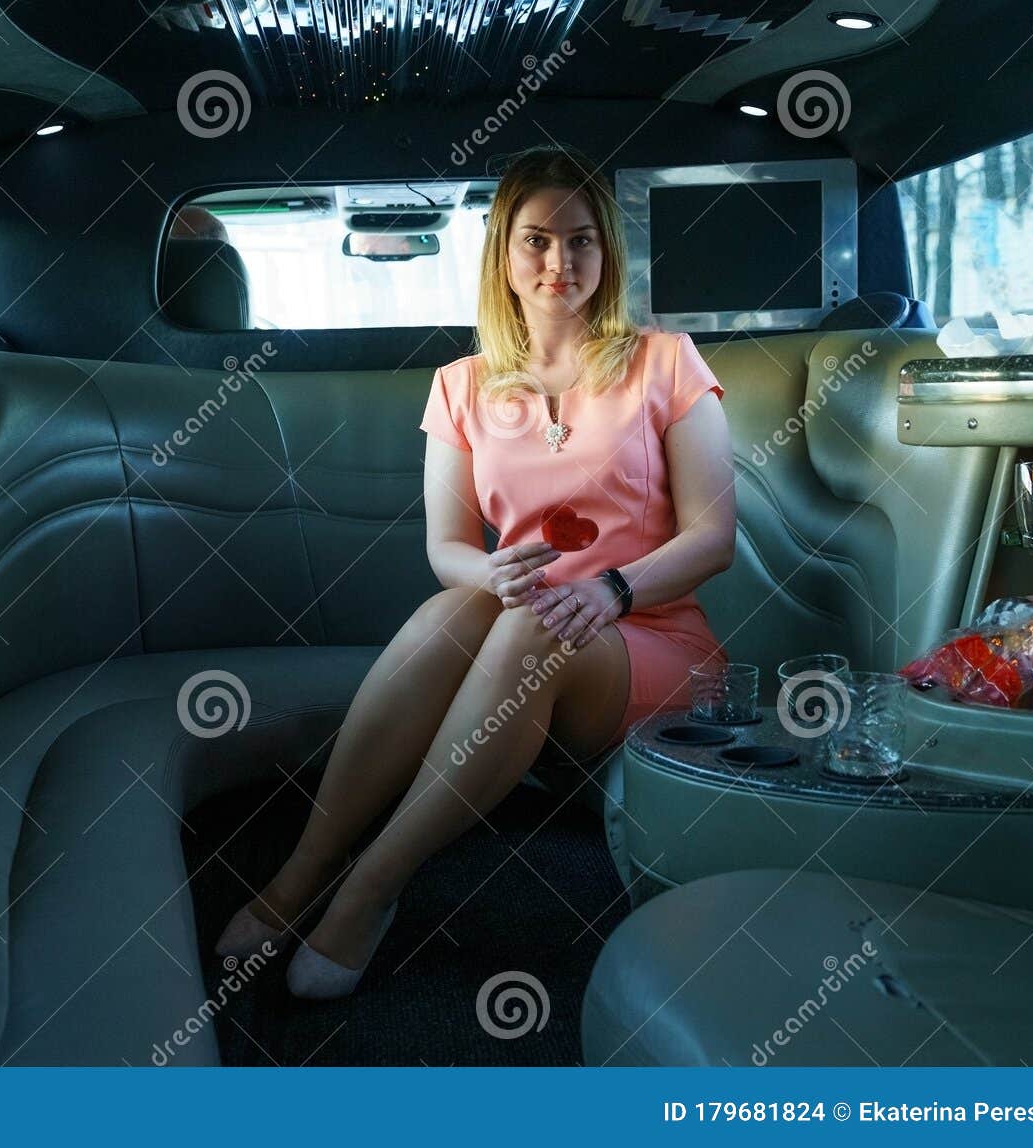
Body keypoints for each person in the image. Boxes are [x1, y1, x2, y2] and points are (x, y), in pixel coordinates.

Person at [214, 146, 735, 998]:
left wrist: (609, 590)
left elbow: (715, 537)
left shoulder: (666, 362)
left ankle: (370, 886)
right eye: (536, 240)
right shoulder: (461, 385)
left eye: (581, 241)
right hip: (521, 623)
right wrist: (493, 573)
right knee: (449, 611)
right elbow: (447, 546)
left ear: (608, 254)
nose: (559, 263)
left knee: (526, 623)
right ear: (502, 255)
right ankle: (299, 876)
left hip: (649, 639)